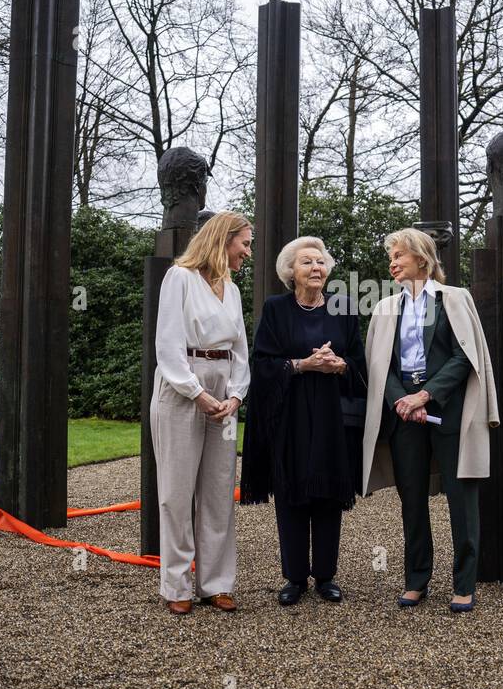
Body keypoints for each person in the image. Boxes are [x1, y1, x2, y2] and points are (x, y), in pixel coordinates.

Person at [360, 228, 498, 613]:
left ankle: (464, 583)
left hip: (449, 410)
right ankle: (416, 579)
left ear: (422, 258)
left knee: (461, 497)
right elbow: (379, 363)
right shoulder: (385, 307)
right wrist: (403, 401)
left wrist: (427, 394)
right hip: (404, 414)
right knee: (412, 500)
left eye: (399, 255)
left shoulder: (455, 299)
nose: (393, 262)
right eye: (391, 256)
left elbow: (463, 356)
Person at [241, 237, 366, 606]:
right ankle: (294, 577)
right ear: (290, 272)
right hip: (290, 415)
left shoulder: (344, 308)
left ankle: (326, 576)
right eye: (307, 262)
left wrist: (339, 364)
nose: (316, 268)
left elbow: (360, 363)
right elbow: (261, 365)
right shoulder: (277, 309)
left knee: (328, 491)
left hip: (332, 417)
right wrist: (302, 365)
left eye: (321, 262)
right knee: (291, 490)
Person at [150, 212, 252, 615]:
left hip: (223, 388)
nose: (248, 250)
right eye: (244, 241)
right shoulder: (179, 278)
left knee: (218, 491)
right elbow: (168, 343)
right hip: (182, 387)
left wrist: (236, 396)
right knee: (176, 493)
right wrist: (195, 392)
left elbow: (241, 348)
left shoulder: (232, 288)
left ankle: (216, 583)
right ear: (222, 240)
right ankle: (177, 584)